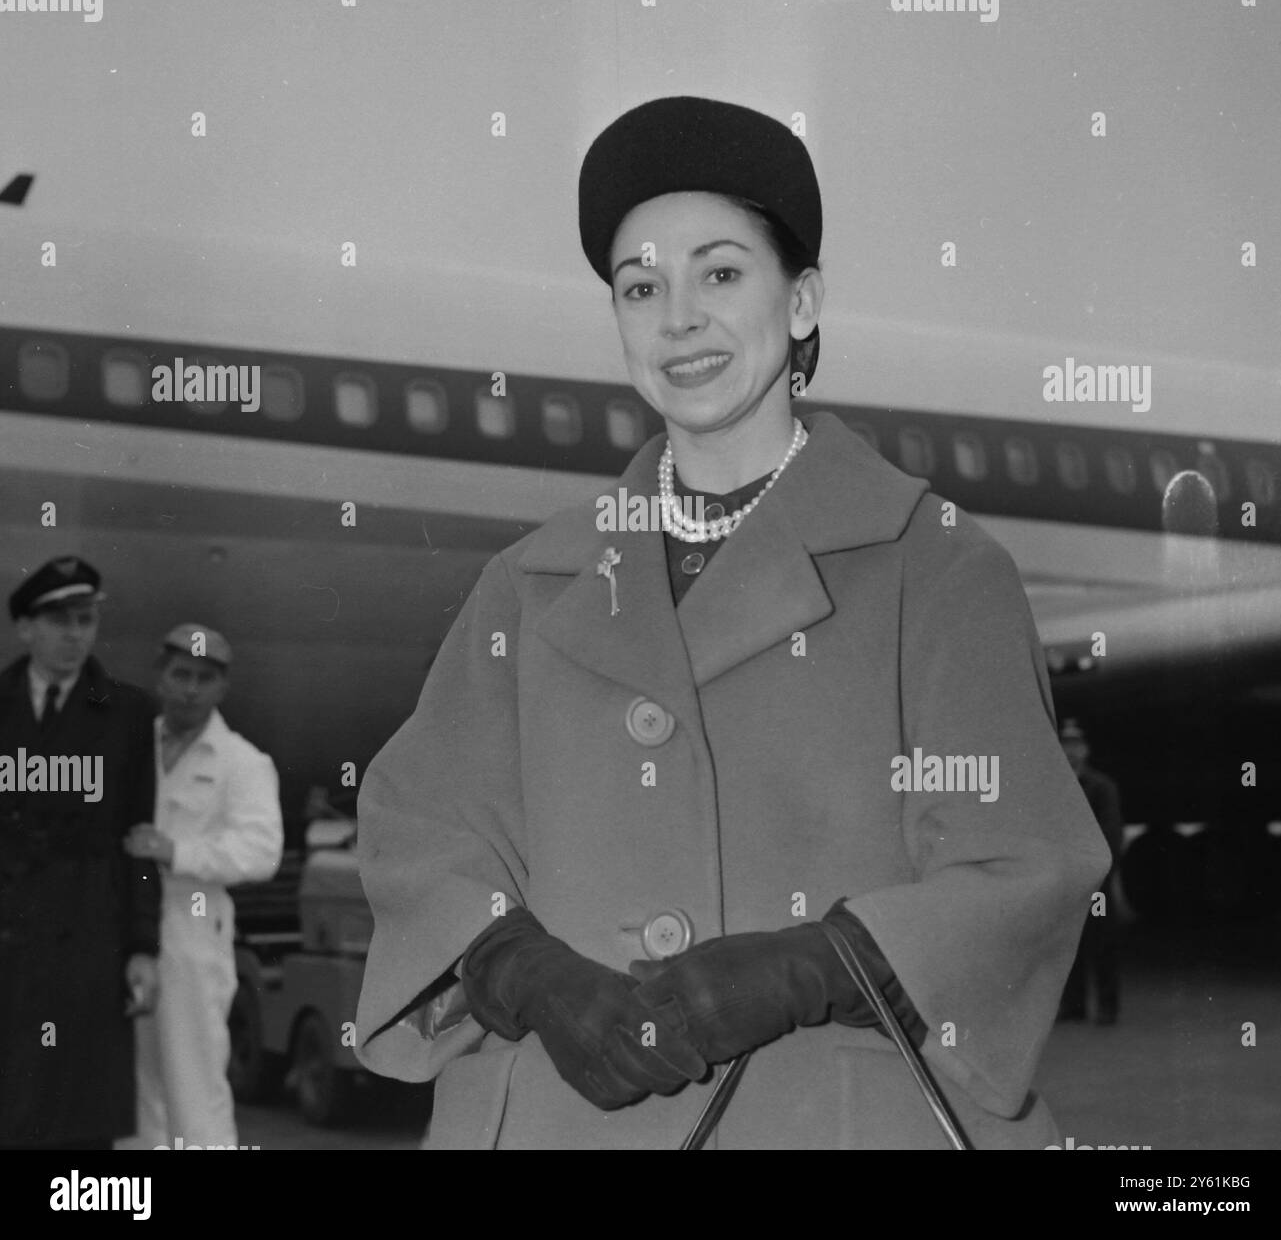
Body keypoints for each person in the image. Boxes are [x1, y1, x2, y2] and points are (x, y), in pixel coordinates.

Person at [355, 95, 1112, 1149]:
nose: (678, 318)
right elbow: (420, 830)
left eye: (719, 273)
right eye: (640, 287)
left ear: (800, 302)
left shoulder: (934, 566)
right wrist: (517, 971)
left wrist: (818, 965)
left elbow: (1024, 862)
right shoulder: (527, 583)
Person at [0, 556, 160, 1149]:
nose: (75, 635)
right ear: (25, 628)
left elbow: (139, 838)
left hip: (90, 926)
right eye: (61, 620)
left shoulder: (128, 712)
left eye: (86, 619)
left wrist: (143, 946)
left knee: (81, 1105)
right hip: (10, 928)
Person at [119, 624, 282, 1149]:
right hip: (126, 931)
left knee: (193, 1082)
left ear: (222, 688)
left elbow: (261, 852)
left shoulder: (243, 763)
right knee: (133, 1085)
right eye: (180, 674)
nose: (190, 688)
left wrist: (177, 852)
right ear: (160, 677)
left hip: (192, 931)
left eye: (204, 678)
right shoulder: (132, 747)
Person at [1058, 718, 1124, 1025]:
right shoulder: (1054, 788)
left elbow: (1111, 832)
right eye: (1066, 745)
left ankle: (1107, 1007)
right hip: (1067, 881)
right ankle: (1074, 1005)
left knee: (1102, 943)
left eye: (1076, 745)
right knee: (1070, 945)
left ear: (1086, 750)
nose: (1071, 751)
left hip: (1095, 881)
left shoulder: (1101, 787)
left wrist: (1098, 872)